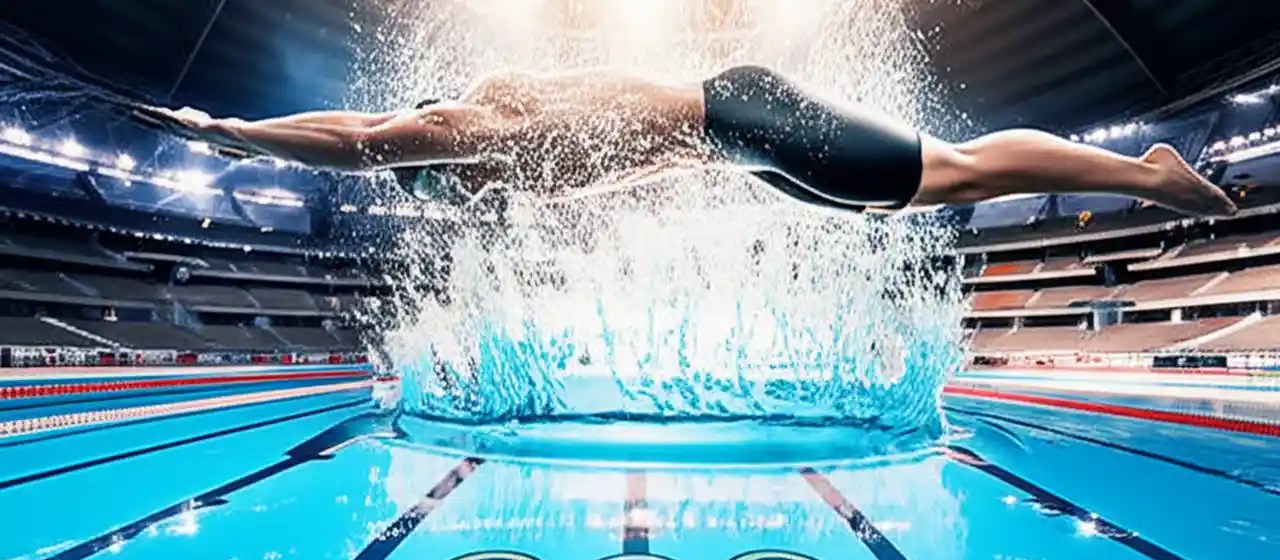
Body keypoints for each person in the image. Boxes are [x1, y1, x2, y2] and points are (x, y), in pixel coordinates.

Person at [137, 65, 1237, 217]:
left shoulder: (468, 128)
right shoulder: (519, 138)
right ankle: (1139, 177)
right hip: (736, 140)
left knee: (944, 172)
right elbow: (641, 155)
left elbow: (359, 135)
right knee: (910, 192)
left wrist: (235, 133)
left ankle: (1145, 175)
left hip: (740, 119)